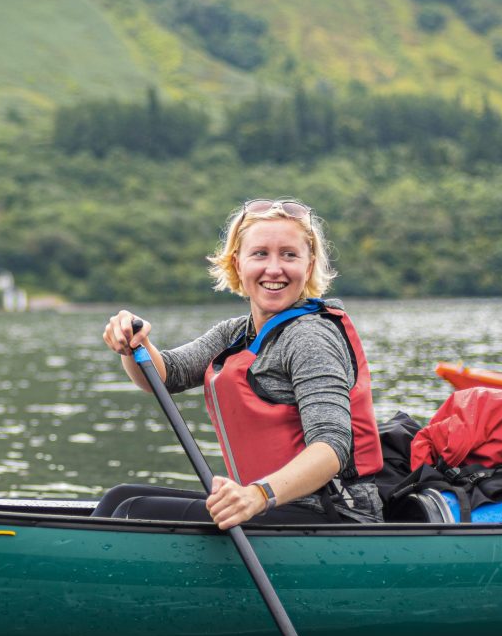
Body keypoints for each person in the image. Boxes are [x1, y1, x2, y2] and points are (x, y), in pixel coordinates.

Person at [93, 198, 384, 529]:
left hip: (332, 514)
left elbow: (331, 448)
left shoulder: (310, 337)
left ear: (308, 264)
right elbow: (162, 377)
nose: (274, 269)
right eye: (260, 254)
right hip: (269, 507)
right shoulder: (235, 334)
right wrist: (134, 343)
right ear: (237, 263)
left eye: (289, 255)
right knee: (120, 498)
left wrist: (257, 495)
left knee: (135, 510)